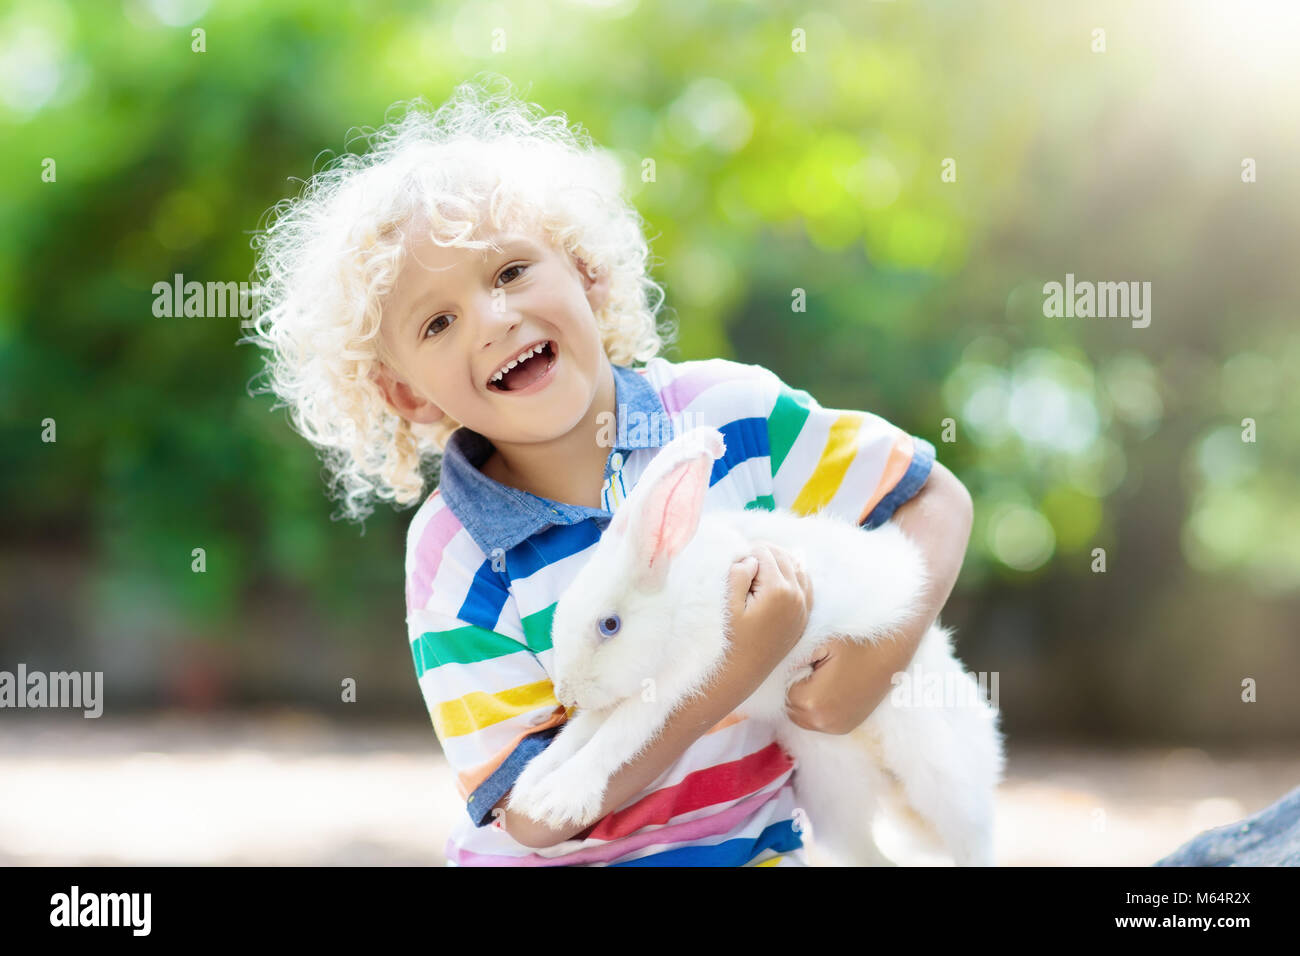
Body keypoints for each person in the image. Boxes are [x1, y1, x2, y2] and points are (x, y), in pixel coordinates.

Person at [243, 75, 974, 866]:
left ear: (586, 273)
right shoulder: (452, 555)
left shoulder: (731, 415)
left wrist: (880, 654)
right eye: (439, 321)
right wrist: (733, 671)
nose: (494, 319)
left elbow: (932, 496)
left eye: (511, 271)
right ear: (404, 394)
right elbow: (530, 812)